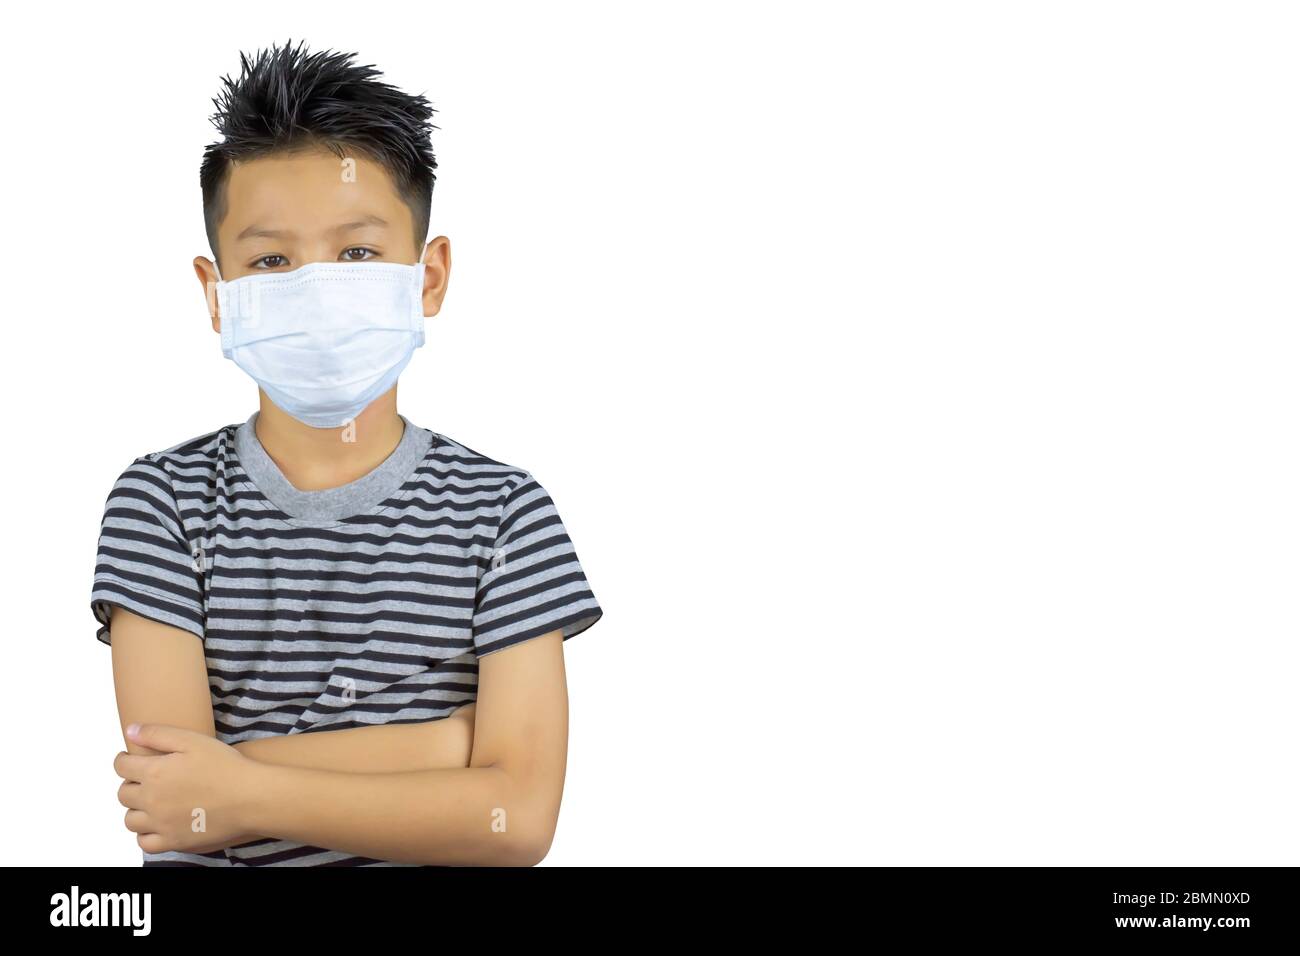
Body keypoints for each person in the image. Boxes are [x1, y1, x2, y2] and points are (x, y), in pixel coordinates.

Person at [90, 40, 604, 866]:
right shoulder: (164, 501)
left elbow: (518, 821)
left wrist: (237, 788)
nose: (315, 287)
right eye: (271, 260)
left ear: (428, 276)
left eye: (358, 253)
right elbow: (175, 809)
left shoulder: (505, 515)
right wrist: (443, 748)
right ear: (216, 295)